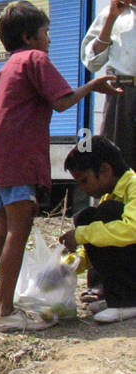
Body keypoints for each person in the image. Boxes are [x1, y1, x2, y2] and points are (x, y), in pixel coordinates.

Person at [0, 2, 120, 332]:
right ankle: (4, 311)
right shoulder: (35, 59)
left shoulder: (4, 69)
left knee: (2, 228)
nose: (49, 40)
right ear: (29, 37)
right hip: (17, 157)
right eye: (46, 33)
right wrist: (92, 85)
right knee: (18, 231)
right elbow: (61, 102)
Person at [60, 136, 136, 324]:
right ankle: (118, 297)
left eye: (84, 180)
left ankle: (127, 301)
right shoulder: (110, 195)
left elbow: (131, 230)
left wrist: (80, 235)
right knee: (88, 219)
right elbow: (97, 245)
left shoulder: (134, 186)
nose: (83, 188)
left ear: (105, 170)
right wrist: (68, 266)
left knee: (105, 215)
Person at [81, 0, 136, 166]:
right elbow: (92, 62)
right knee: (117, 168)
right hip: (122, 98)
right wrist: (111, 20)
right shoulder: (111, 14)